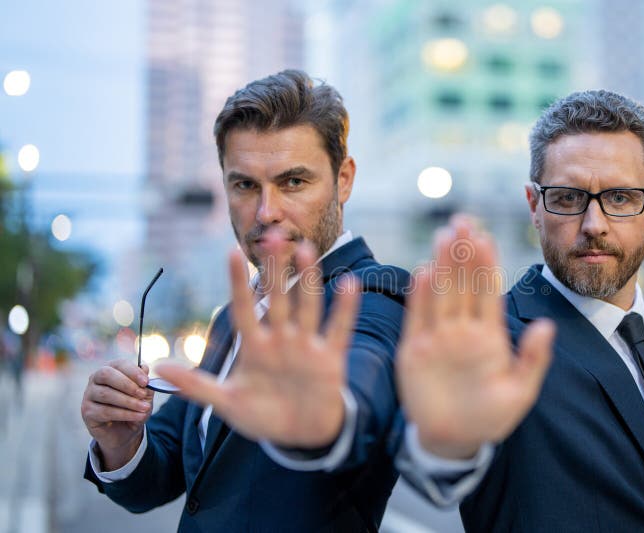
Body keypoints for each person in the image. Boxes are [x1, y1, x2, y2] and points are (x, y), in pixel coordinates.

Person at [80, 70, 409, 532]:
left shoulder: (376, 293)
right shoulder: (236, 315)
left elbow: (362, 381)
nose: (266, 211)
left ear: (344, 179)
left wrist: (326, 415)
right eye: (245, 185)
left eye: (293, 182)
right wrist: (121, 441)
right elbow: (168, 466)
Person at [396, 90, 644, 532]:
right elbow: (439, 468)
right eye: (569, 198)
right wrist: (444, 445)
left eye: (620, 197)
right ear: (534, 206)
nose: (594, 224)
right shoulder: (497, 341)